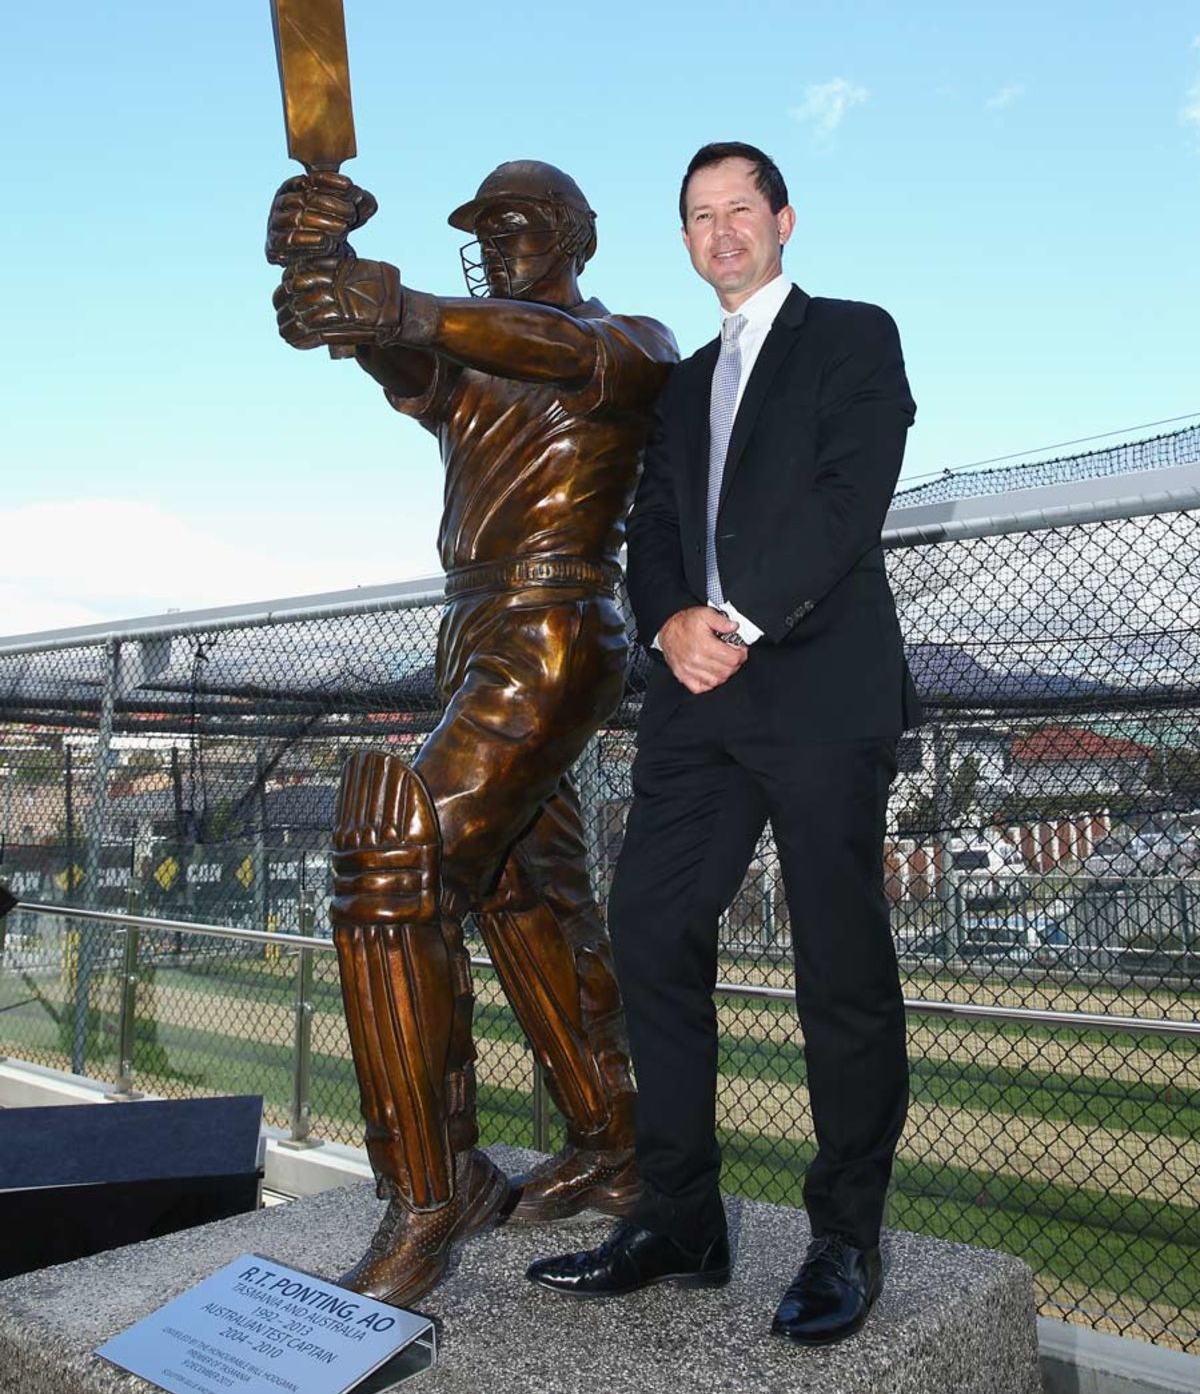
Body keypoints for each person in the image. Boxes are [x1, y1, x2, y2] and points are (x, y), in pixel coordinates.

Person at [527, 142, 920, 1345]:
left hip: (814, 688)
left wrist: (734, 616)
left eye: (740, 207)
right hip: (698, 702)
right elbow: (649, 528)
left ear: (784, 219)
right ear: (687, 240)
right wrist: (669, 621)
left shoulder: (855, 336)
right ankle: (682, 1218)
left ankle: (844, 1233)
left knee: (837, 967)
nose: (722, 229)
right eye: (700, 216)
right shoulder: (681, 382)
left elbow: (851, 498)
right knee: (649, 925)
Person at [266, 159, 678, 1306]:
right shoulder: (473, 356)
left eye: (523, 226)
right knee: (523, 891)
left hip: (553, 623)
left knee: (394, 861)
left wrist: (392, 302)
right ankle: (613, 1142)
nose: (500, 243)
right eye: (486, 231)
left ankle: (430, 1194)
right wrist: (317, 261)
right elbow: (386, 343)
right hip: (478, 628)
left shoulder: (624, 345)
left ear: (578, 237)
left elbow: (499, 338)